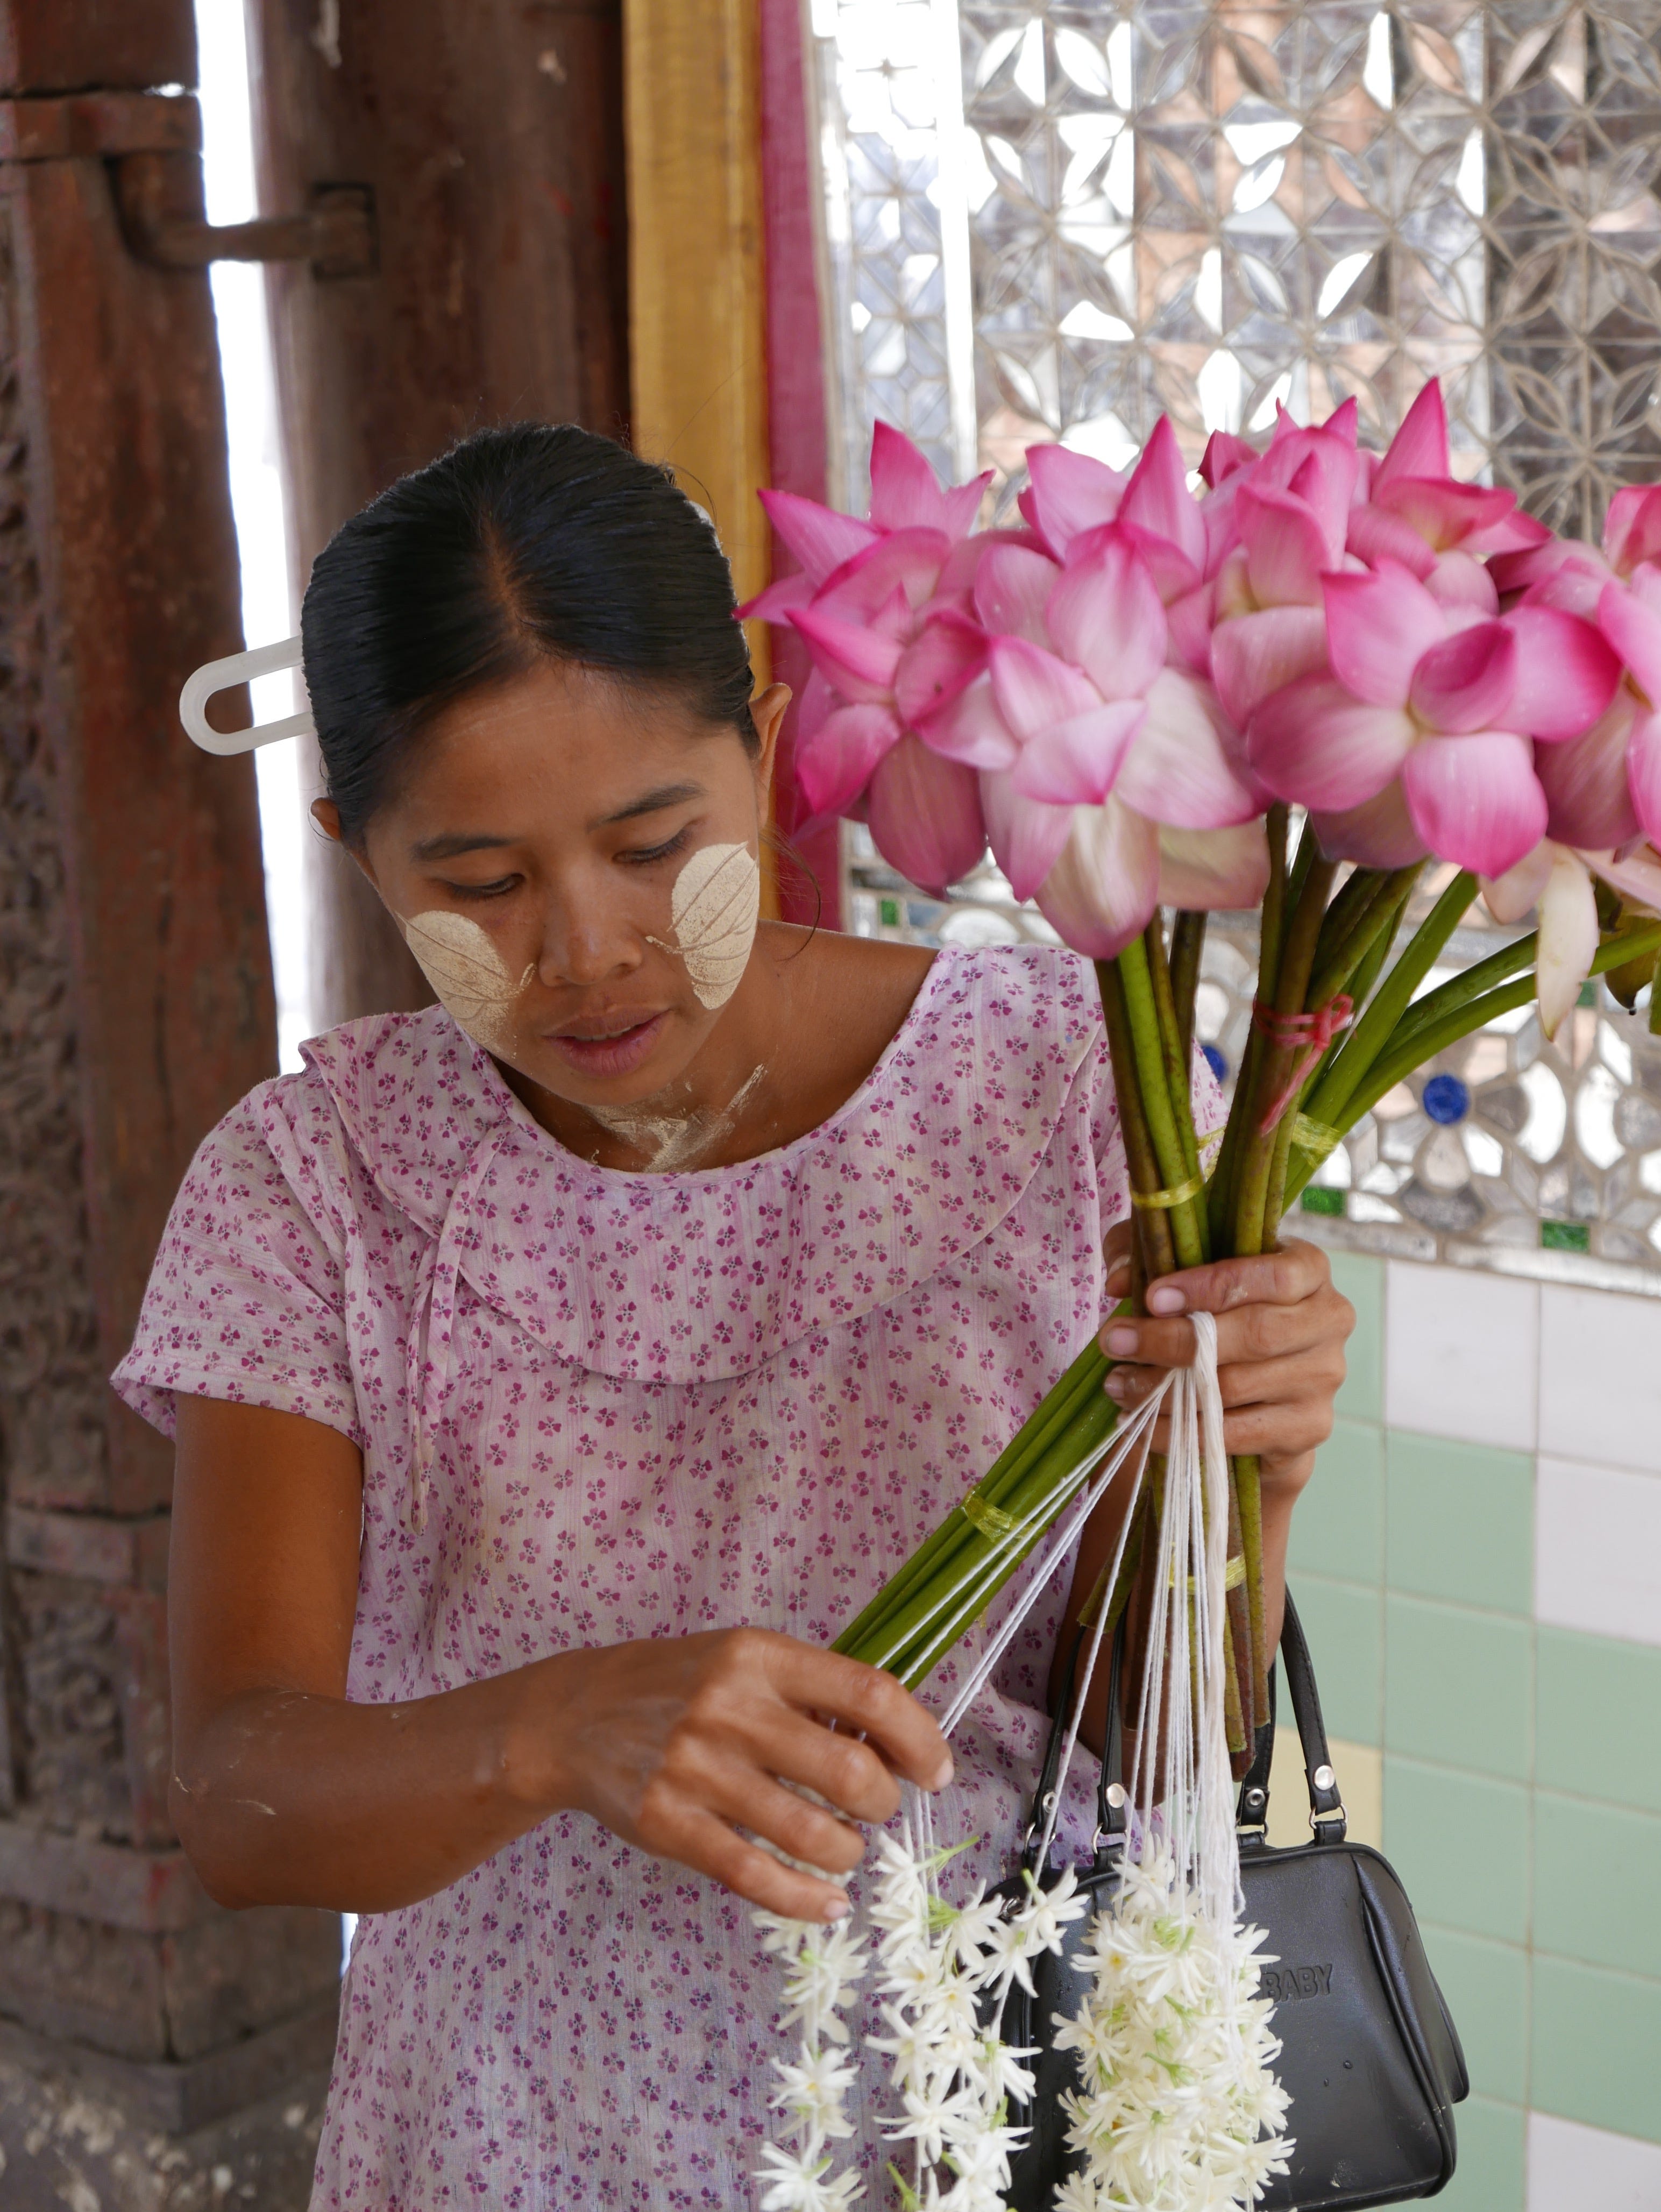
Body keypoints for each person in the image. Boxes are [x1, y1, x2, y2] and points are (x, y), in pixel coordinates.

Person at [116, 424, 1353, 2210]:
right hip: (500, 2139)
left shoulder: (1059, 1090)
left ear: (767, 756)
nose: (589, 945)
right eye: (480, 883)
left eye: (651, 840)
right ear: (352, 850)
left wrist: (1262, 1469)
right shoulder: (316, 1187)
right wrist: (545, 1732)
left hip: (978, 2113)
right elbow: (239, 1798)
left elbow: (1158, 1745)